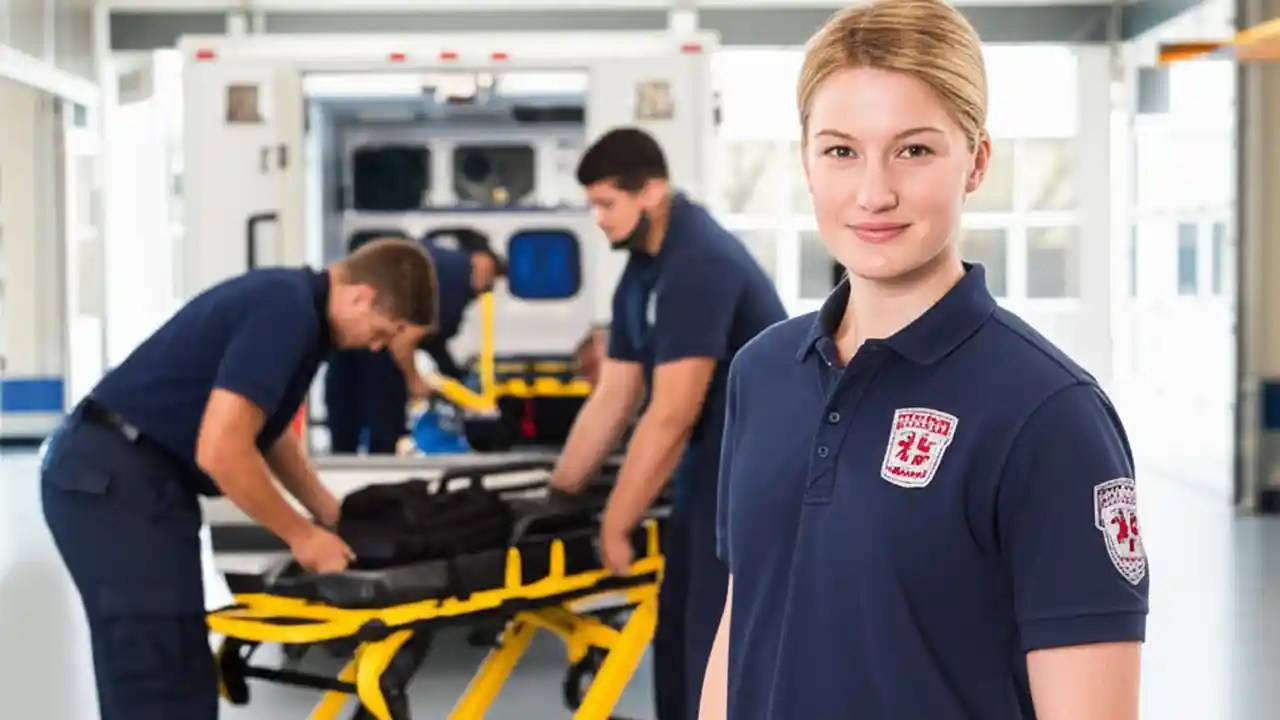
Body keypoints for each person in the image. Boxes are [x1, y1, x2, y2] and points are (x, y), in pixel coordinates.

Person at [698, 2, 1149, 719]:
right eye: (841, 150)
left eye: (914, 149)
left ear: (976, 161)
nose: (874, 193)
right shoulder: (762, 373)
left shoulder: (1049, 415)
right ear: (805, 161)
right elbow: (746, 613)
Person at [39, 238, 438, 720]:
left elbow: (263, 432)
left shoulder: (302, 316)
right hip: (111, 477)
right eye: (382, 332)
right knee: (152, 670)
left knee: (184, 661)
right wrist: (301, 535)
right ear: (362, 296)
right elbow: (222, 450)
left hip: (142, 477)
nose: (377, 347)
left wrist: (326, 510)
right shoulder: (285, 313)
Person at [549, 127, 787, 720]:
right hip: (708, 468)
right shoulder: (641, 271)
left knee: (713, 641)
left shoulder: (698, 262)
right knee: (678, 630)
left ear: (651, 192)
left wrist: (615, 524)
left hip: (754, 471)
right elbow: (616, 393)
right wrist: (558, 493)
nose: (598, 220)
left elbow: (672, 414)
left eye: (606, 204)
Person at [324, 230, 499, 454]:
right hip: (377, 345)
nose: (483, 291)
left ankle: (341, 458)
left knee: (344, 413)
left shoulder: (432, 259)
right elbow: (404, 340)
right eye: (490, 284)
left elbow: (429, 338)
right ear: (484, 263)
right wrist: (414, 380)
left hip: (348, 333)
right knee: (384, 421)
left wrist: (451, 372)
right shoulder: (456, 281)